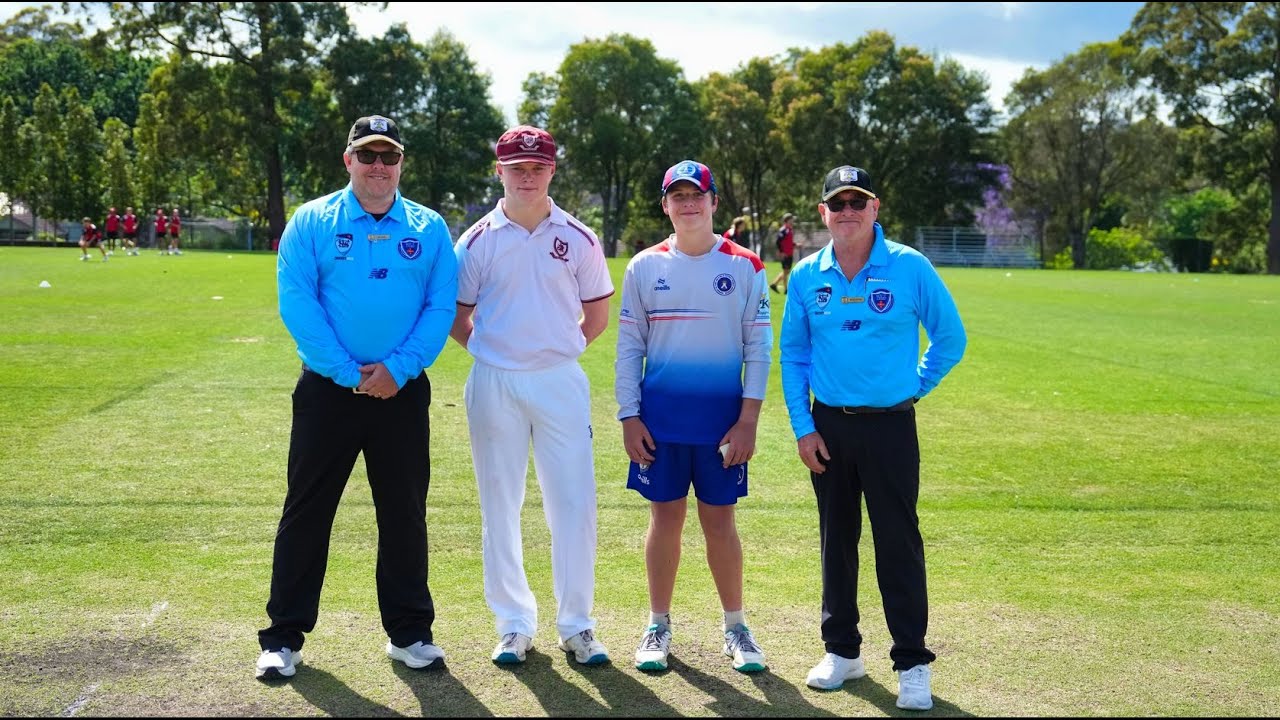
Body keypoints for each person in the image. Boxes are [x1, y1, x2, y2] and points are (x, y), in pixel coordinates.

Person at [256, 114, 458, 681]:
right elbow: (297, 303)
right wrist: (347, 372)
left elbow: (440, 308)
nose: (378, 166)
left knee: (403, 514)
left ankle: (410, 632)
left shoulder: (429, 226)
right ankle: (283, 637)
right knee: (307, 511)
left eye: (388, 156)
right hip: (328, 391)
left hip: (401, 392)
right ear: (348, 160)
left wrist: (397, 369)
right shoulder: (312, 220)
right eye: (367, 155)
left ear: (400, 164)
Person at [779, 165, 966, 710]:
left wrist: (914, 385)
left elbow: (950, 339)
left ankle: (911, 660)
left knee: (897, 543)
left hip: (890, 426)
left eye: (857, 202)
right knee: (837, 541)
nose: (848, 212)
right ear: (823, 213)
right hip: (829, 426)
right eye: (837, 204)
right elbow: (794, 355)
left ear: (875, 207)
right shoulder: (808, 275)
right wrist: (803, 427)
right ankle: (842, 651)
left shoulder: (910, 267)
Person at [450, 124, 613, 667]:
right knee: (501, 504)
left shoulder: (581, 238)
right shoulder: (475, 241)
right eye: (516, 167)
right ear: (499, 171)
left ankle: (578, 625)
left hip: (560, 380)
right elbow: (458, 314)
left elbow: (597, 316)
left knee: (573, 504)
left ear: (552, 171)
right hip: (494, 381)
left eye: (536, 167)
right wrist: (499, 352)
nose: (526, 176)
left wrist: (552, 351)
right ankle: (513, 624)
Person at [615, 160, 773, 673]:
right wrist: (628, 416)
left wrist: (748, 419)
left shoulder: (746, 265)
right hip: (659, 423)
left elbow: (759, 349)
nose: (687, 204)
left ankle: (736, 627)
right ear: (665, 205)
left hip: (723, 426)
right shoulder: (643, 266)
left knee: (720, 522)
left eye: (696, 195)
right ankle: (657, 624)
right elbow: (628, 347)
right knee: (664, 519)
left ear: (713, 203)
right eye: (677, 196)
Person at [769, 212, 796, 294]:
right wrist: (781, 252)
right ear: (787, 220)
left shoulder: (790, 230)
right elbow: (778, 242)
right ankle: (786, 289)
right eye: (791, 219)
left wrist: (796, 245)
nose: (792, 221)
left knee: (787, 271)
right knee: (785, 271)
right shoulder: (783, 230)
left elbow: (788, 242)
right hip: (785, 254)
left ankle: (774, 284)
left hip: (790, 253)